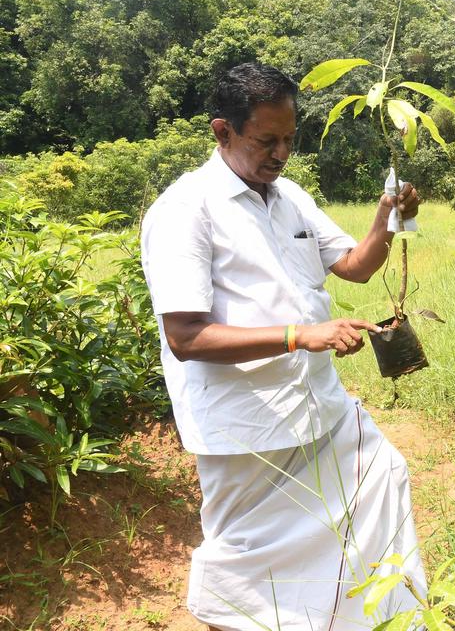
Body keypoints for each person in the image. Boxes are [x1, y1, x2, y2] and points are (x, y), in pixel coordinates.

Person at [140, 62, 427, 630]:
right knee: (249, 564)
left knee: (382, 478)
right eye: (266, 140)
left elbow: (355, 267)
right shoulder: (184, 211)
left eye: (289, 139)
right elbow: (185, 336)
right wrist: (302, 335)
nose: (281, 153)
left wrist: (389, 219)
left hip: (319, 406)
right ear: (223, 132)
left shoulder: (289, 196)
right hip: (247, 426)